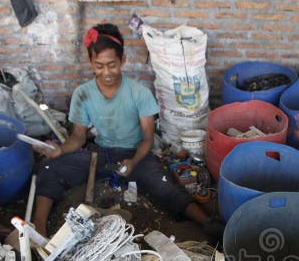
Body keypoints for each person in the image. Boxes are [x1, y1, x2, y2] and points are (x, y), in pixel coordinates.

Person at [31, 23, 221, 239]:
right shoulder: (83, 94)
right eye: (99, 66)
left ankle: (206, 222)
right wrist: (60, 150)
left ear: (122, 60)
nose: (106, 72)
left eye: (112, 65)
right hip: (100, 156)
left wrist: (133, 161)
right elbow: (78, 137)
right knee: (49, 167)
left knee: (162, 184)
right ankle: (38, 231)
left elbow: (148, 138)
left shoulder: (139, 93)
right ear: (91, 62)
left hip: (135, 155)